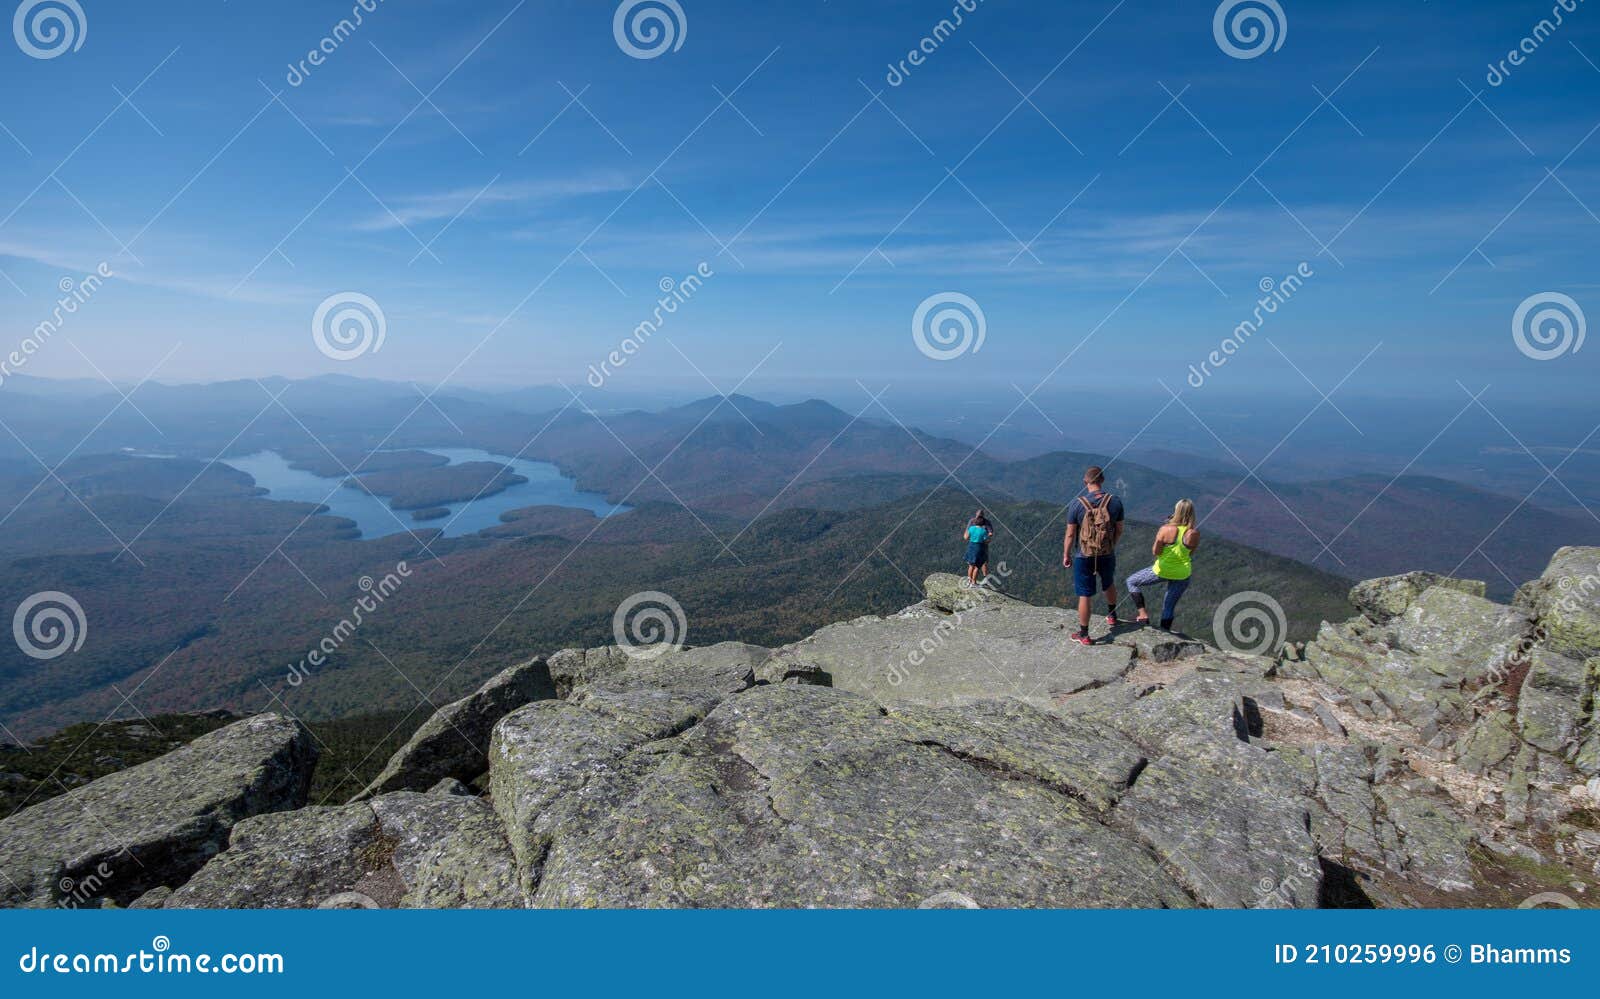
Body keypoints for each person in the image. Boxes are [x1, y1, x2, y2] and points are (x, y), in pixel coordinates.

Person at [1062, 466, 1124, 646]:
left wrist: (1066, 554)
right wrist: (1111, 544)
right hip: (1107, 552)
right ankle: (1112, 616)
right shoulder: (1115, 502)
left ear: (1085, 482)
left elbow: (1070, 534)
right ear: (1102, 480)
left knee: (1085, 594)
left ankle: (1084, 634)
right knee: (1109, 582)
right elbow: (1119, 529)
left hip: (1084, 554)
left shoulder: (1077, 504)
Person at [1126, 499, 1200, 632]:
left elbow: (1156, 551)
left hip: (1161, 570)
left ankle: (1143, 615)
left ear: (1176, 511)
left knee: (1131, 582)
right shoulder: (1194, 533)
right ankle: (1164, 633)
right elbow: (1190, 554)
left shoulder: (1165, 529)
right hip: (1183, 574)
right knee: (1168, 606)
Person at [964, 510, 992, 585]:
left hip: (971, 546)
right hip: (980, 548)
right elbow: (986, 540)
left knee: (971, 565)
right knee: (977, 567)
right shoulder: (983, 531)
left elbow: (966, 537)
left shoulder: (971, 528)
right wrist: (988, 540)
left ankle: (969, 581)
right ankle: (974, 582)